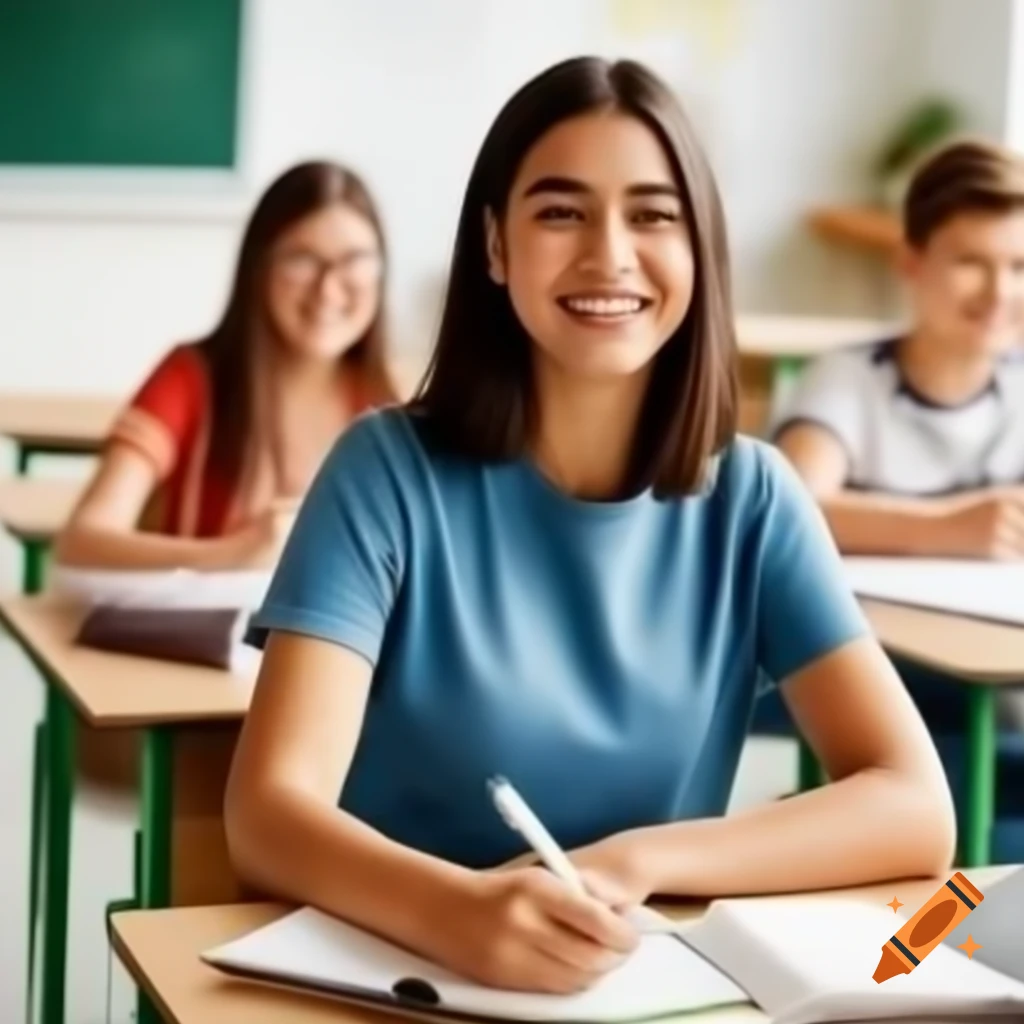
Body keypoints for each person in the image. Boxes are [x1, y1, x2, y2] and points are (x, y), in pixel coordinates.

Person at [224, 57, 955, 996]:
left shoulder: (755, 499)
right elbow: (267, 815)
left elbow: (914, 810)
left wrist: (634, 862)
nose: (609, 254)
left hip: (629, 988)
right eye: (560, 212)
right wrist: (456, 914)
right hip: (397, 983)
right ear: (495, 247)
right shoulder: (384, 473)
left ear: (701, 250)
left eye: (653, 215)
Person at [55, 160, 396, 573]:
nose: (327, 288)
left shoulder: (388, 400)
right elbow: (82, 541)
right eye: (302, 260)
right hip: (209, 633)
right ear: (259, 267)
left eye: (354, 261)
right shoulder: (190, 377)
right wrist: (231, 554)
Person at [773, 139, 1024, 561]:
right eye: (971, 262)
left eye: (1020, 267)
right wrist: (949, 530)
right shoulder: (848, 378)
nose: (999, 292)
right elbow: (794, 510)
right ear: (910, 261)